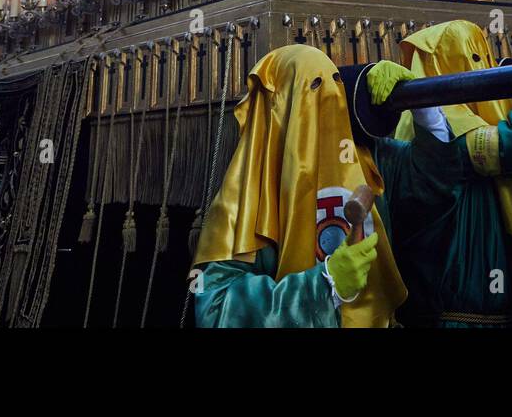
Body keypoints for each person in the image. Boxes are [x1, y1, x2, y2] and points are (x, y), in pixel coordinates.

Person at [192, 44, 461, 327]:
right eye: (315, 86)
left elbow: (431, 183)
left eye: (336, 82)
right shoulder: (244, 197)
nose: (329, 98)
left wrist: (423, 105)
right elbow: (216, 309)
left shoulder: (367, 160)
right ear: (278, 108)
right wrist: (323, 286)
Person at [367, 20, 512, 327]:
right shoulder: (447, 131)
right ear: (447, 64)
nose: (489, 71)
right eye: (476, 59)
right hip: (460, 317)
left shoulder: (442, 123)